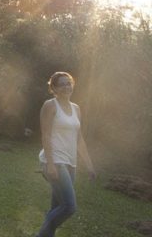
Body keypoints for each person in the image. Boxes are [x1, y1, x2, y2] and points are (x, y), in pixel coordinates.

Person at [35, 71, 96, 237]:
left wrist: (89, 165)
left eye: (68, 83)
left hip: (71, 163)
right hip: (55, 161)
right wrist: (51, 163)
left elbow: (79, 138)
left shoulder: (76, 109)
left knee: (57, 207)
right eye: (61, 84)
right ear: (53, 88)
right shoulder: (50, 105)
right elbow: (45, 135)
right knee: (69, 206)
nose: (66, 87)